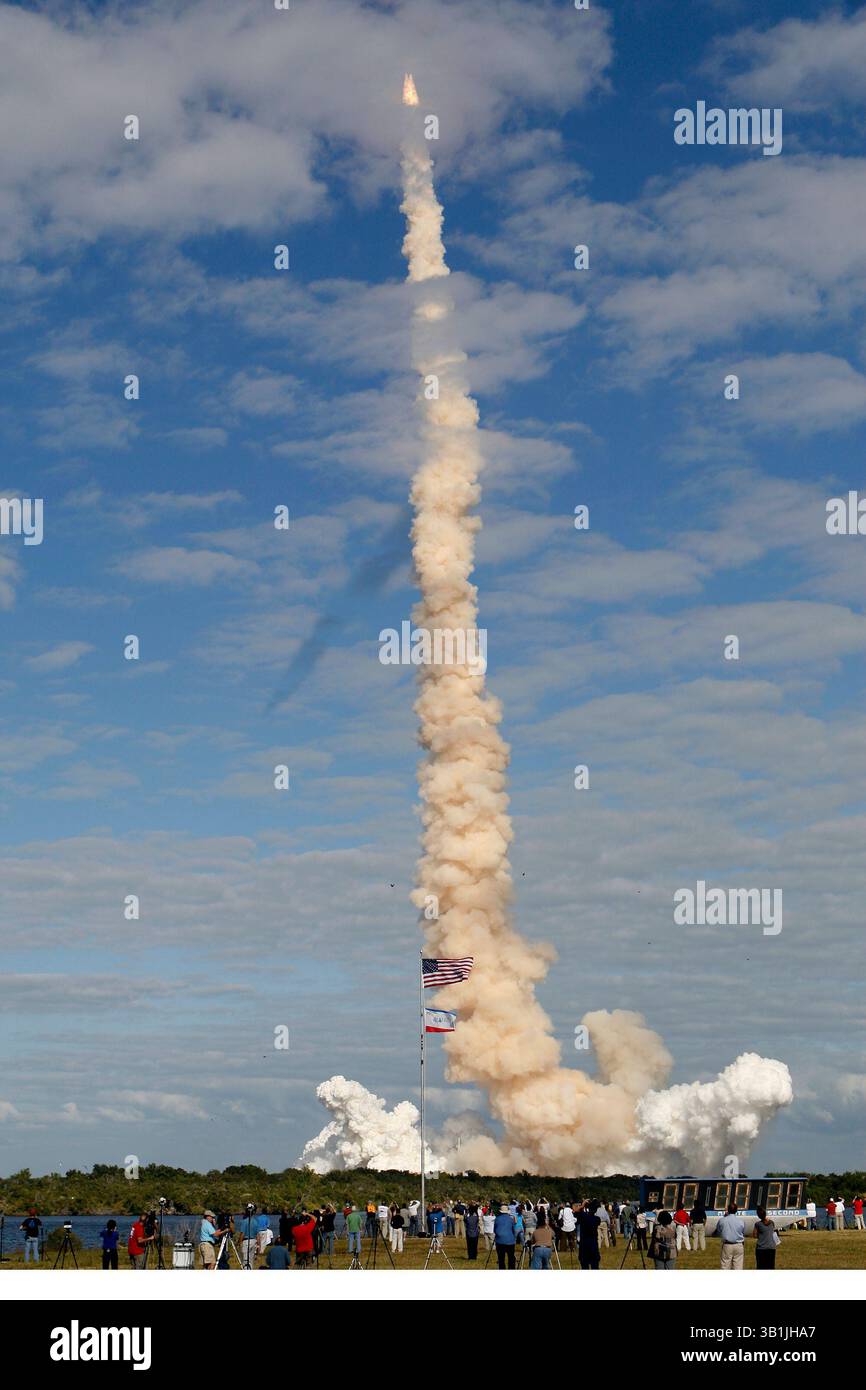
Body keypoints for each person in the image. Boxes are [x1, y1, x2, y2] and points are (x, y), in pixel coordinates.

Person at [717, 1202, 746, 1270]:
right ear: (736, 1210)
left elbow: (719, 1230)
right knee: (738, 1266)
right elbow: (743, 1232)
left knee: (725, 1266)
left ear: (728, 1210)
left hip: (727, 1245)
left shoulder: (722, 1220)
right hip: (739, 1245)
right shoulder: (741, 1221)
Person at [577, 1201, 601, 1270]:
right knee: (595, 1266)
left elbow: (576, 1211)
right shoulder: (597, 1219)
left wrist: (582, 1205)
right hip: (593, 1245)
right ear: (596, 1210)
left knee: (584, 1266)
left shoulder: (583, 1217)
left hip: (584, 1245)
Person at [494, 1204, 517, 1270]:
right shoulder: (511, 1219)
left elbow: (494, 1230)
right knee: (511, 1258)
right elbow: (513, 1230)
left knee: (501, 1259)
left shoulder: (497, 1219)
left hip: (500, 1241)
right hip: (510, 1241)